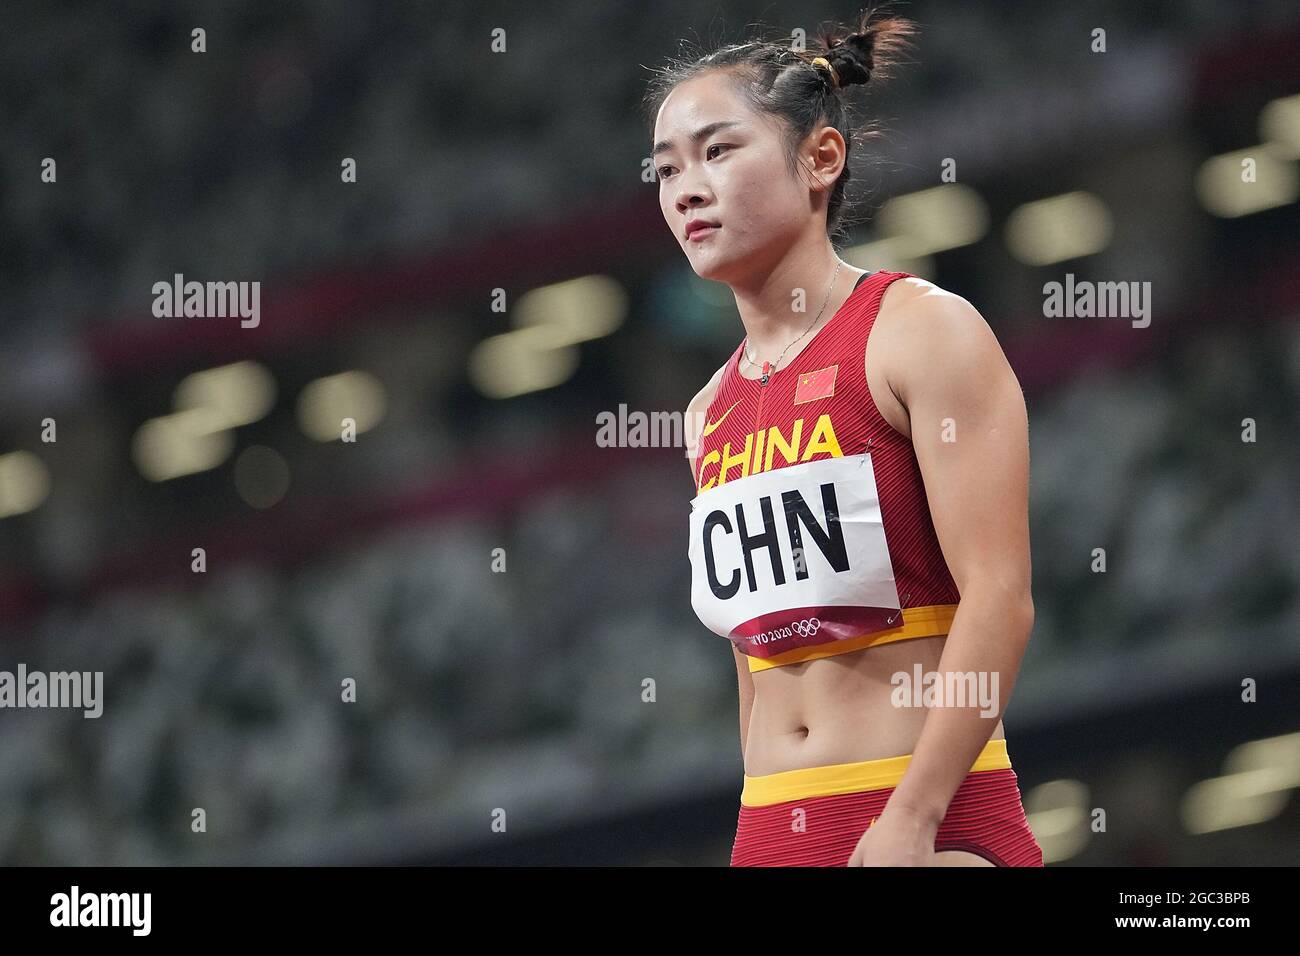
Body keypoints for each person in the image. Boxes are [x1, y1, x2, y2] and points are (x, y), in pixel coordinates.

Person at [646, 9, 1044, 866]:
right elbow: (755, 662)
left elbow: (1001, 596)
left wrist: (914, 816)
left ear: (820, 158)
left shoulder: (921, 333)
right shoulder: (707, 412)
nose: (685, 188)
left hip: (920, 816)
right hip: (772, 828)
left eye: (718, 151)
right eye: (665, 169)